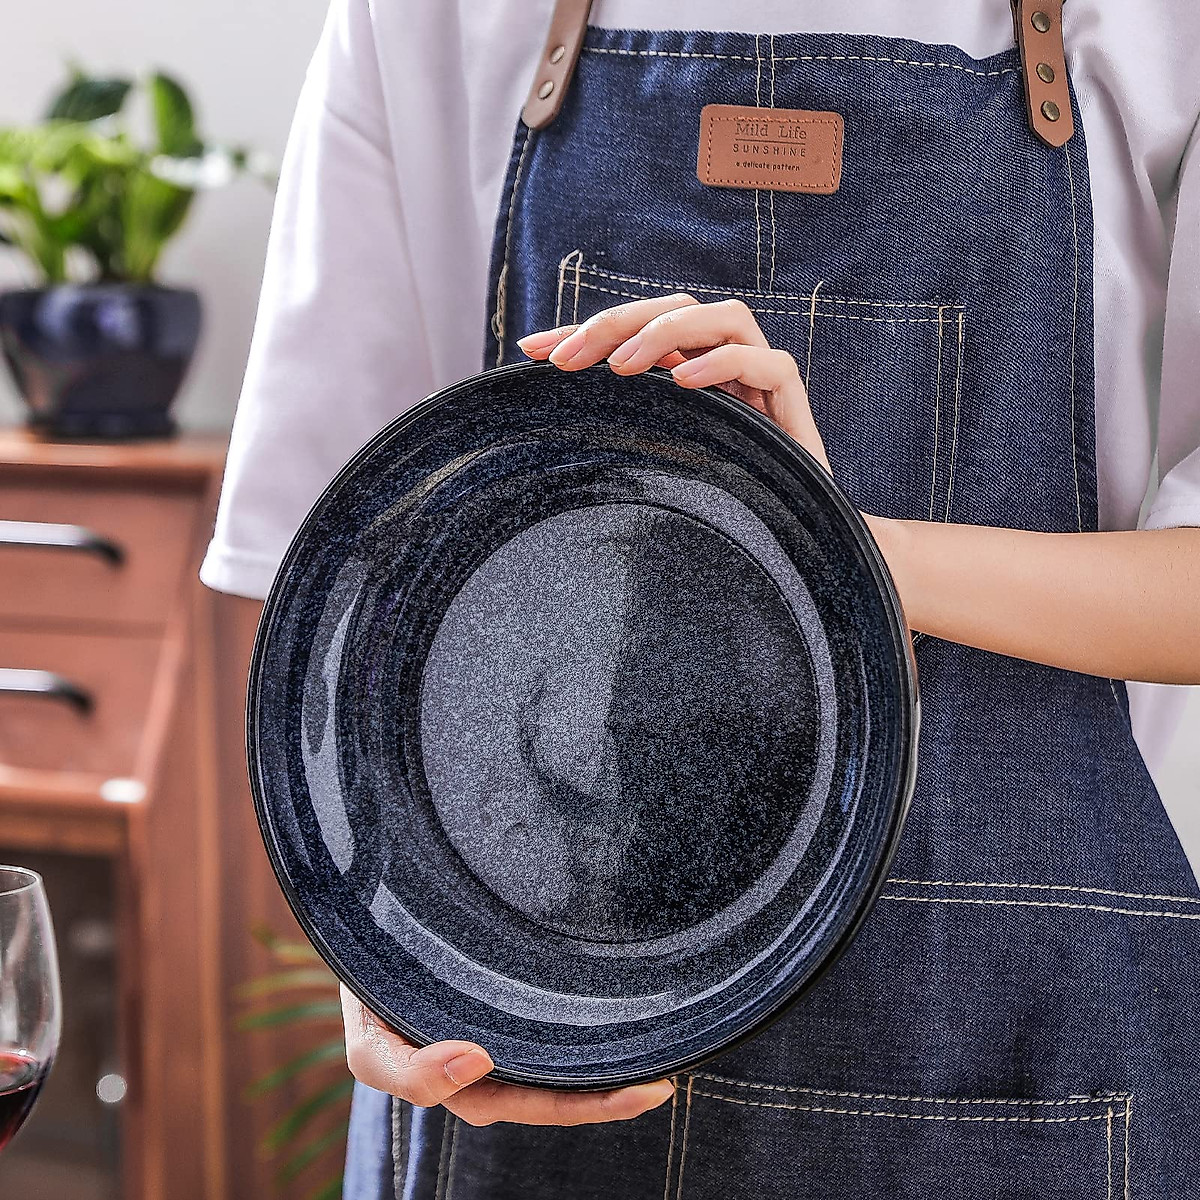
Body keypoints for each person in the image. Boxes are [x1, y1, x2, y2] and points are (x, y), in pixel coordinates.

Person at [201, 1, 1200, 1196]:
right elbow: (318, 588)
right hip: (517, 1055)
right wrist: (380, 958)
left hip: (1002, 1063)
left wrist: (815, 547)